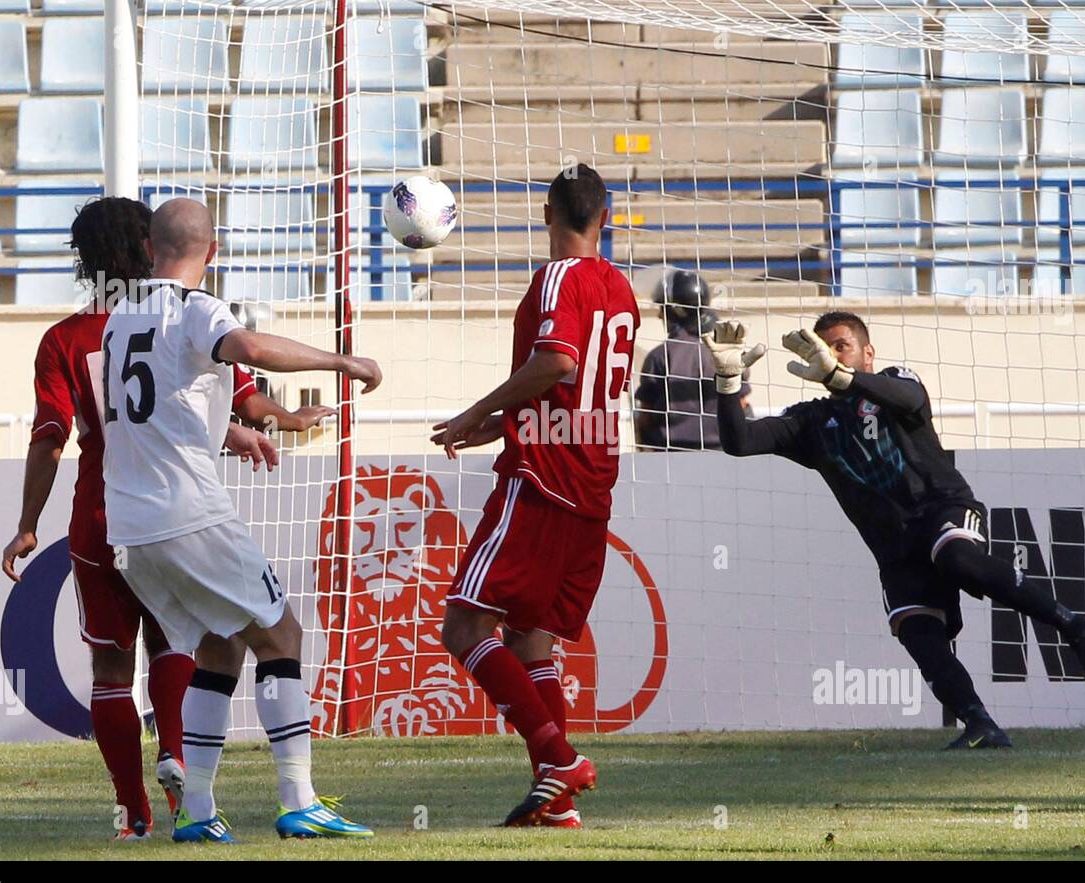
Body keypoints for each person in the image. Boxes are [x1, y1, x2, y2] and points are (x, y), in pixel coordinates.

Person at [0, 197, 329, 841]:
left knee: (111, 669)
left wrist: (28, 520)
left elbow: (49, 435)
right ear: (147, 247)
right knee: (193, 644)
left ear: (85, 259)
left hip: (104, 514)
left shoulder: (71, 336)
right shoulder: (174, 315)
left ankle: (132, 812)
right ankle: (188, 774)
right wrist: (274, 423)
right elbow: (230, 396)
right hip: (177, 503)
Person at [101, 197, 381, 842]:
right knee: (281, 634)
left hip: (132, 527)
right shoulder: (197, 309)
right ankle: (299, 798)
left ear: (149, 249)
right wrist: (343, 362)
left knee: (219, 648)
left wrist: (235, 430)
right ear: (213, 250)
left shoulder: (120, 320)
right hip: (188, 512)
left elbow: (155, 411)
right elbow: (246, 345)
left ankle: (198, 813)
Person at [703, 312, 1085, 749]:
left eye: (840, 345)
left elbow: (909, 399)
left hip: (944, 508)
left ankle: (1074, 627)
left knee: (955, 558)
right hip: (894, 549)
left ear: (868, 352)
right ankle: (981, 725)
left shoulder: (894, 380)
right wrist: (729, 379)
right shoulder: (810, 422)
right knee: (918, 630)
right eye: (819, 347)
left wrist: (843, 377)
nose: (827, 353)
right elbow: (740, 442)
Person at [431, 165, 639, 826]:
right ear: (606, 213)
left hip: (543, 482)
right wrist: (503, 421)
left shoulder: (559, 278)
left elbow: (558, 363)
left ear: (546, 212)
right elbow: (575, 391)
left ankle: (557, 757)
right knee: (532, 642)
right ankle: (557, 804)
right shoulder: (622, 290)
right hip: (592, 488)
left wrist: (475, 411)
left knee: (464, 626)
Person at [634, 269, 751, 450]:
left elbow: (645, 417)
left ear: (676, 312)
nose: (659, 316)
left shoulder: (659, 357)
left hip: (671, 459)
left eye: (662, 310)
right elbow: (741, 405)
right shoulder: (728, 353)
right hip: (724, 453)